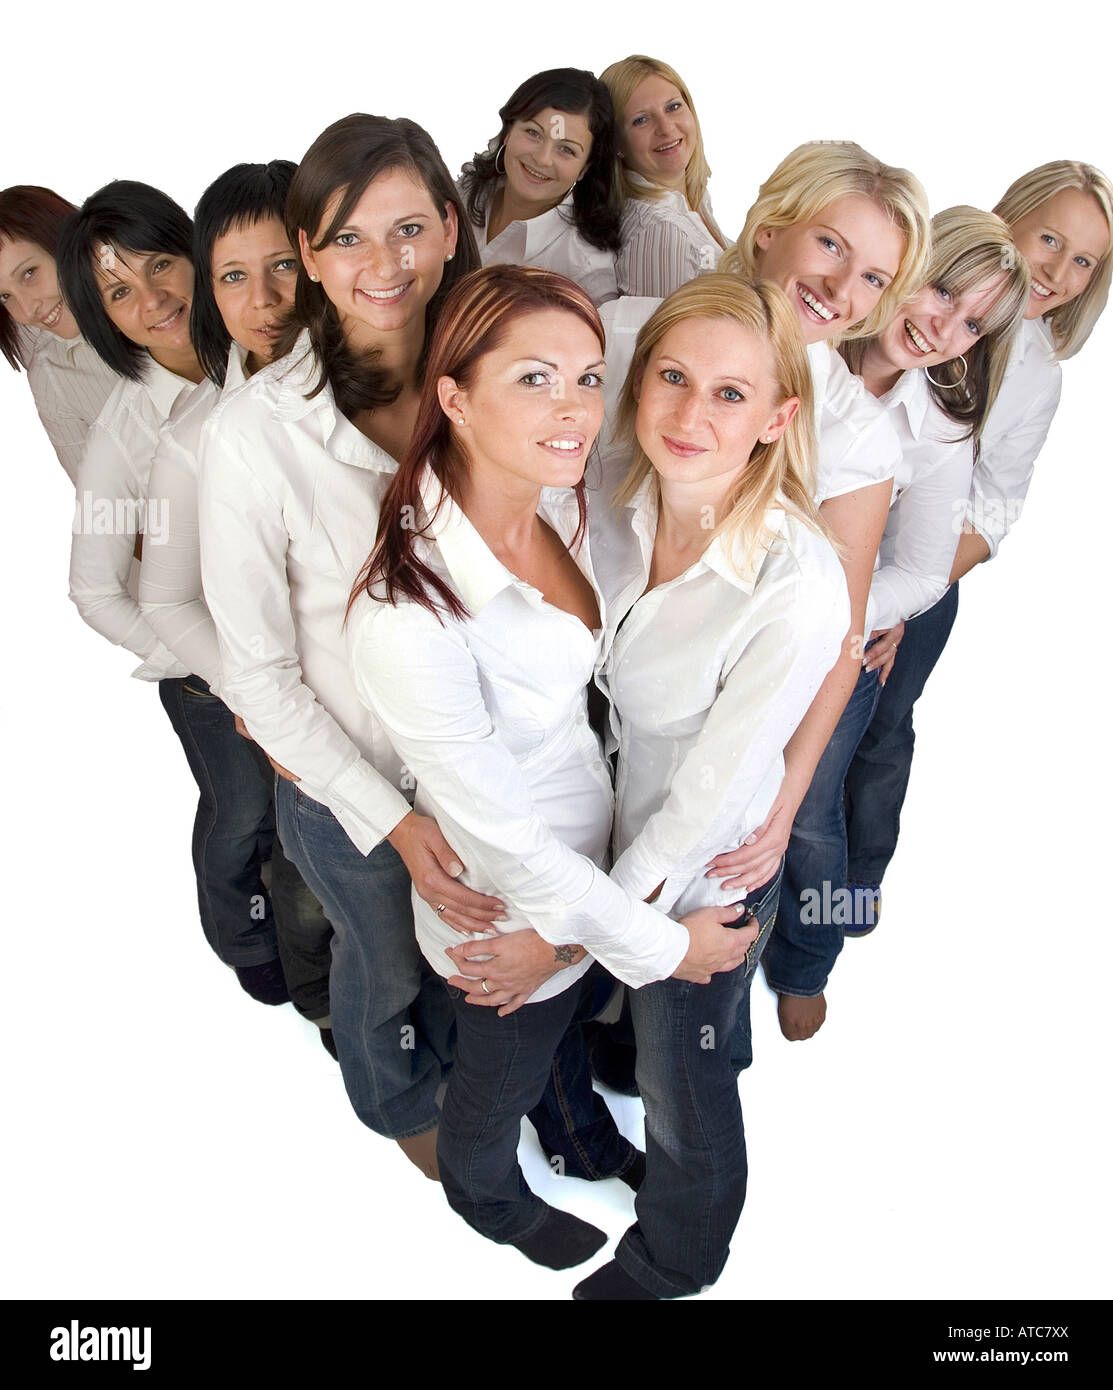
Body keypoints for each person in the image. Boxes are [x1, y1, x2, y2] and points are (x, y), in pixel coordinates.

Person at [346, 264, 756, 1271]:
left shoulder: (563, 506)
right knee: (498, 1081)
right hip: (511, 913)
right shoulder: (408, 617)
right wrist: (664, 947)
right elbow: (516, 850)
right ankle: (485, 1194)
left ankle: (577, 1135)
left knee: (562, 1038)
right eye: (533, 379)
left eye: (586, 377)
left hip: (587, 875)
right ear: (453, 397)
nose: (574, 409)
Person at [198, 114, 493, 1177]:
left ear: (450, 228)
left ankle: (480, 1079)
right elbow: (260, 675)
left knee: (472, 952)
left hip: (484, 762)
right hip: (351, 786)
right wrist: (397, 824)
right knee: (384, 964)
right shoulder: (253, 435)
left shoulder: (503, 378)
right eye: (348, 239)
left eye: (408, 228)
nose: (385, 265)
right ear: (311, 257)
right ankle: (394, 1098)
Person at [567, 276, 848, 1297]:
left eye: (731, 394)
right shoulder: (616, 495)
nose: (690, 413)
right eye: (673, 377)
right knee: (652, 1038)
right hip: (612, 824)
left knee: (683, 1087)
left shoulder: (794, 585)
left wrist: (594, 927)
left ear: (777, 418)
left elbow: (704, 805)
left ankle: (677, 1259)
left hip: (697, 874)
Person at [701, 142, 930, 1044]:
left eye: (873, 276)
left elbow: (849, 625)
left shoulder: (863, 434)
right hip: (668, 677)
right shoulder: (654, 333)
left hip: (824, 673)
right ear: (768, 230)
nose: (842, 287)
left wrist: (786, 795)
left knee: (812, 830)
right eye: (831, 245)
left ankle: (811, 957)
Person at [844, 163, 1113, 908]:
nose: (1056, 271)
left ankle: (855, 887)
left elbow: (994, 507)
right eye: (1050, 239)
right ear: (1009, 218)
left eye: (1083, 261)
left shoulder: (1039, 377)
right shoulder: (914, 291)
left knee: (880, 731)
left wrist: (900, 600)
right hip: (830, 554)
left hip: (927, 571)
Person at [57, 180, 294, 1003]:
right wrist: (216, 669)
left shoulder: (263, 350)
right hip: (205, 670)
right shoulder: (126, 430)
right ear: (102, 316)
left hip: (295, 642)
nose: (152, 298)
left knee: (302, 810)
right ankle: (242, 934)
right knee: (241, 812)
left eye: (159, 265)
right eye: (119, 292)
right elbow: (94, 591)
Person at [137, 161, 335, 1031]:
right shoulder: (199, 434)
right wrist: (249, 694)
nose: (266, 300)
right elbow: (166, 600)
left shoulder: (378, 383)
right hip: (291, 704)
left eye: (283, 265)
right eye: (232, 277)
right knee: (300, 863)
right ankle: (319, 1005)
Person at [459, 68, 622, 306]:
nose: (543, 159)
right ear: (508, 131)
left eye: (566, 149)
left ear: (585, 168)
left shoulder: (585, 269)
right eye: (533, 133)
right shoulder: (467, 189)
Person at [1, 185, 121, 485]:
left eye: (29, 273)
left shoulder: (167, 294)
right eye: (4, 296)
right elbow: (101, 501)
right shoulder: (52, 377)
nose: (28, 310)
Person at [600, 54, 727, 297]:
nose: (666, 128)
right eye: (641, 120)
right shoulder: (660, 230)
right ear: (616, 142)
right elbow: (666, 323)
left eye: (673, 107)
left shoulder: (693, 199)